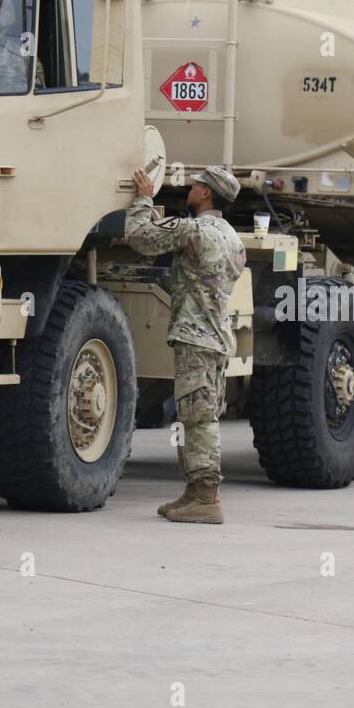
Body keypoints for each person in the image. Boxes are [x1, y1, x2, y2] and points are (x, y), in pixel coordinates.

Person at [125, 165, 246, 523]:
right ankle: (194, 493)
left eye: (195, 185)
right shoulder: (233, 240)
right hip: (217, 336)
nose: (190, 189)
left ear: (206, 193)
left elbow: (140, 237)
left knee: (198, 418)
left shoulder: (195, 231)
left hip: (195, 336)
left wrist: (144, 199)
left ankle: (207, 498)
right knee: (197, 415)